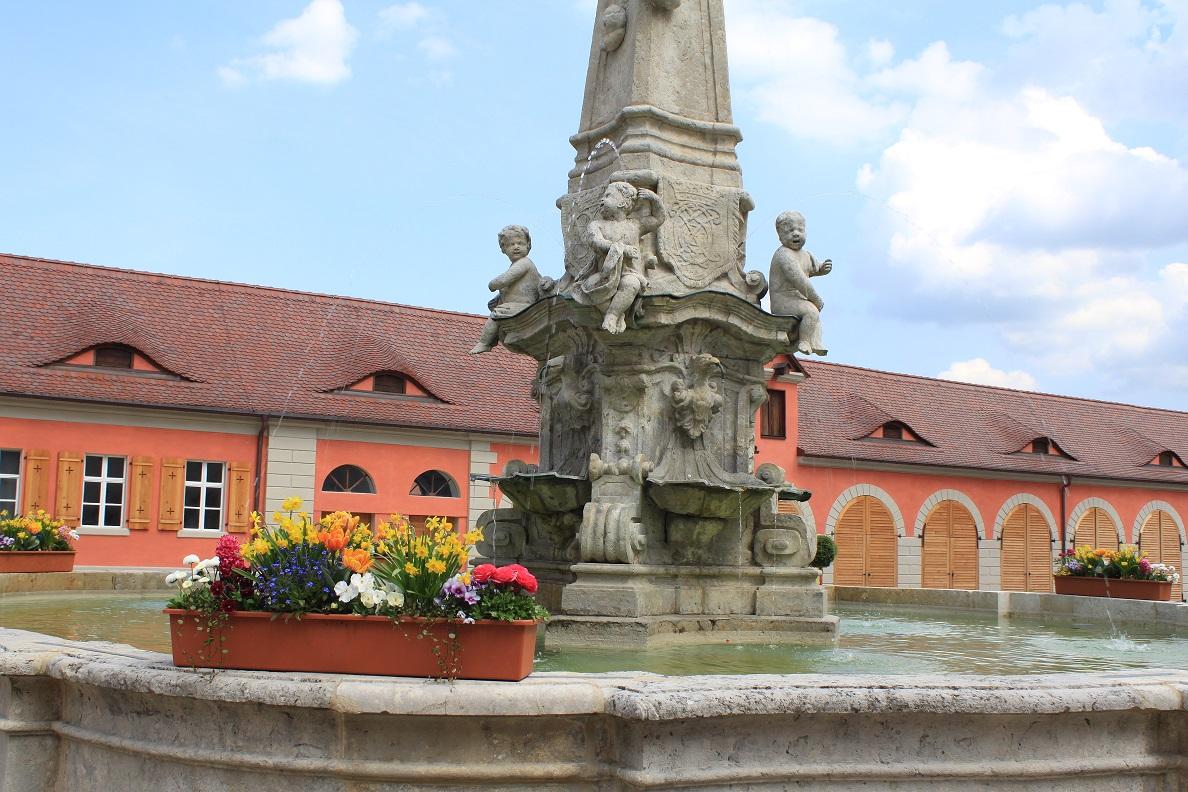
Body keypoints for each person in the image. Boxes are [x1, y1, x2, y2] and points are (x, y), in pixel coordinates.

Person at [580, 181, 665, 334]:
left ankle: (612, 315)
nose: (602, 199)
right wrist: (623, 249)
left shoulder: (635, 225)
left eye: (608, 196)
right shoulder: (597, 225)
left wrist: (654, 199)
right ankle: (617, 311)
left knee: (631, 284)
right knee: (587, 287)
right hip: (605, 273)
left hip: (629, 272)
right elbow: (596, 242)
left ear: (623, 203)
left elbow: (659, 219)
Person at [470, 225, 544, 354]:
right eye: (511, 244)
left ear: (528, 245)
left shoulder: (524, 263)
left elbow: (505, 279)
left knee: (496, 314)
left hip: (524, 306)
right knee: (494, 306)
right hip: (516, 304)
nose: (516, 247)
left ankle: (485, 342)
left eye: (520, 243)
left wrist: (492, 284)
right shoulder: (516, 264)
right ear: (504, 249)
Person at [768, 211, 832, 356]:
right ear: (780, 235)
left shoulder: (806, 254)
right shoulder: (783, 255)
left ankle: (815, 342)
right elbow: (800, 280)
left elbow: (813, 268)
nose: (796, 234)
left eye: (800, 230)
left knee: (813, 314)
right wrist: (816, 298)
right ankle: (804, 341)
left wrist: (821, 269)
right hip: (783, 299)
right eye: (790, 231)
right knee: (811, 311)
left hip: (798, 298)